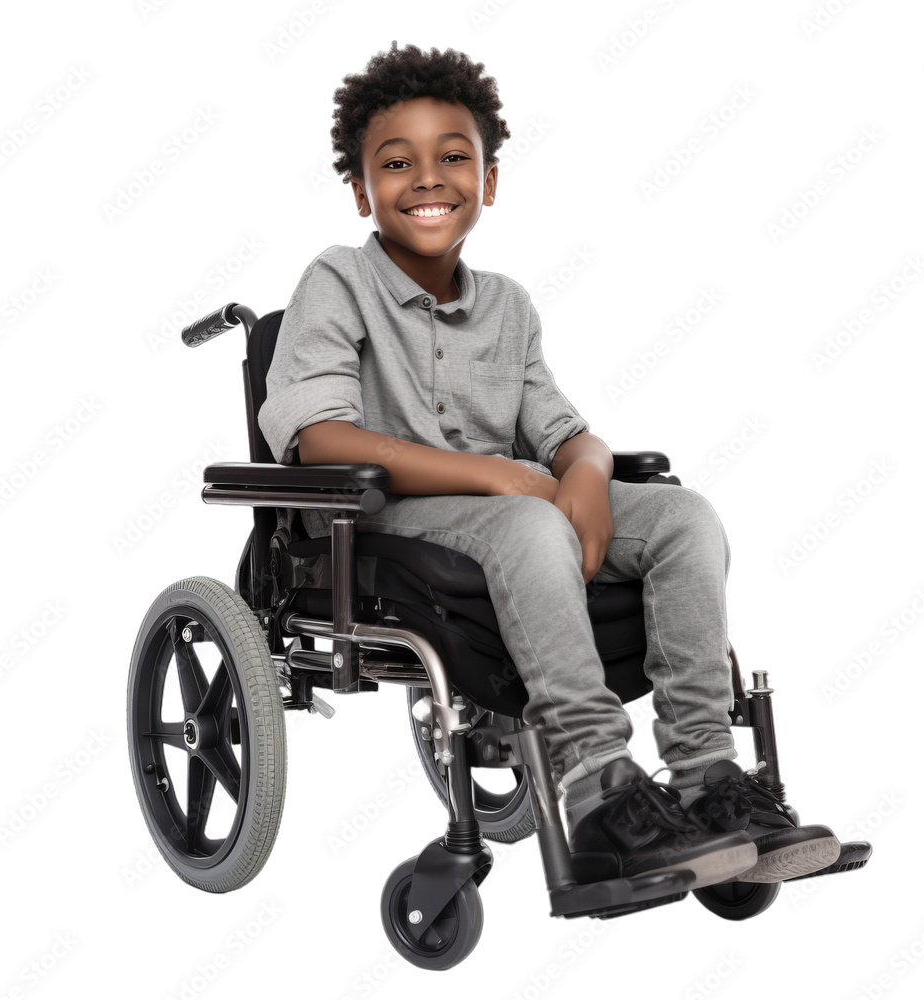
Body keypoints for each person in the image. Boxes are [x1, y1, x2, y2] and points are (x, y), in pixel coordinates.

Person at [258, 40, 840, 888]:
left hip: (514, 513)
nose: (428, 178)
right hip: (379, 518)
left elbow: (565, 429)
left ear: (488, 182)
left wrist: (589, 476)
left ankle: (709, 779)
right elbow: (320, 441)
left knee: (684, 517)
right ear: (360, 188)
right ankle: (597, 785)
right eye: (397, 162)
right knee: (532, 520)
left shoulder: (508, 305)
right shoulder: (338, 282)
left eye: (453, 157)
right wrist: (502, 476)